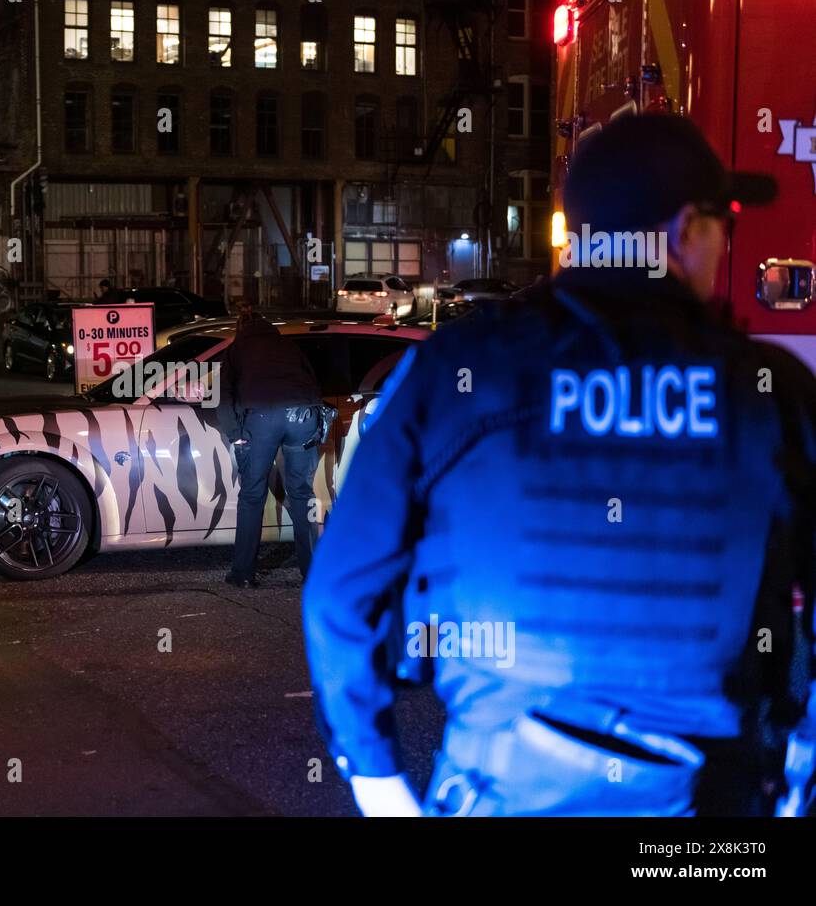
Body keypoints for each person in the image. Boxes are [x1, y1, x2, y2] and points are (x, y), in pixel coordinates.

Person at [304, 113, 816, 816]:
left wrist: (378, 781)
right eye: (722, 220)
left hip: (499, 793)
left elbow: (338, 590)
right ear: (685, 231)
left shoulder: (457, 368)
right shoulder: (773, 392)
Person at [218, 304, 324, 588]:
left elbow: (224, 395)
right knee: (301, 492)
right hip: (303, 415)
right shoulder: (287, 345)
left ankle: (243, 574)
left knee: (252, 495)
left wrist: (235, 433)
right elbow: (312, 381)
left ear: (242, 328)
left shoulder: (237, 349)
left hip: (262, 416)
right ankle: (313, 574)